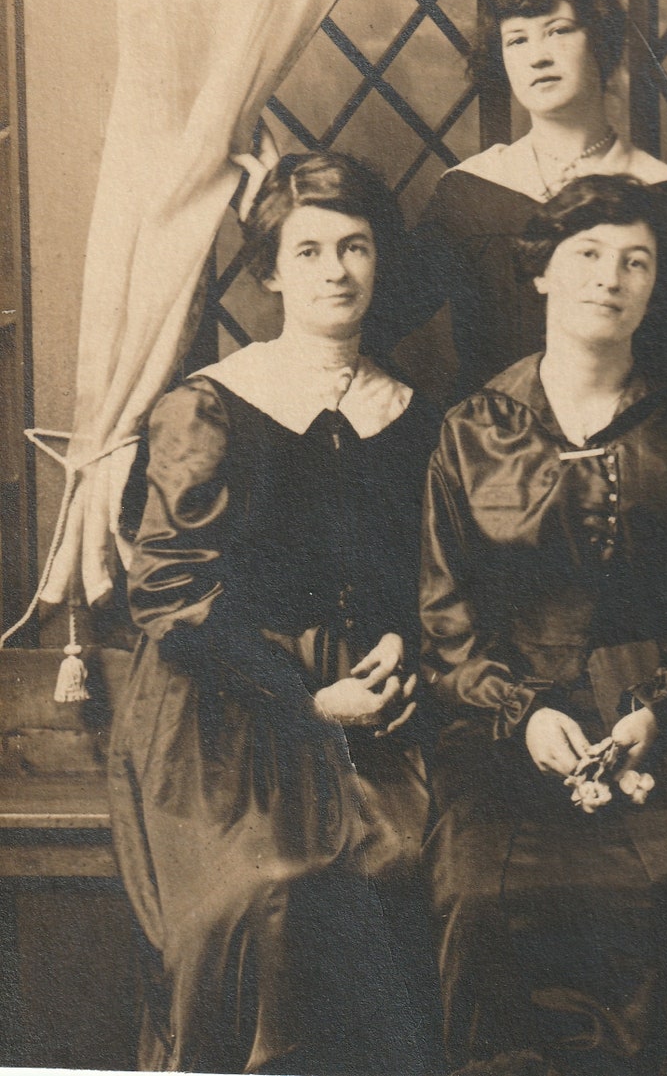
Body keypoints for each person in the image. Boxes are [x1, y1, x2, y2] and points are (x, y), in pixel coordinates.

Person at [419, 174, 667, 1075]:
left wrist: (660, 705)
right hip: (505, 718)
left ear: (656, 286)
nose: (609, 278)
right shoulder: (471, 429)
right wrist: (525, 709)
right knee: (475, 888)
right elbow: (448, 619)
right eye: (586, 255)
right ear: (539, 272)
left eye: (636, 261)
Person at [109, 152, 445, 1074]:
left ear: (379, 261)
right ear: (270, 268)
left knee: (414, 863)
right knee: (266, 897)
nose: (335, 269)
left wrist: (398, 650)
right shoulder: (212, 405)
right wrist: (305, 694)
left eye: (355, 246)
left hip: (372, 712)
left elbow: (429, 575)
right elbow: (169, 592)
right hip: (219, 710)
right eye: (309, 250)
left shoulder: (415, 413)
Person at [397, 0, 667, 401]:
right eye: (517, 39)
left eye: (558, 31)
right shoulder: (468, 196)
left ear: (599, 41)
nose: (538, 57)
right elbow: (379, 315)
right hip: (495, 457)